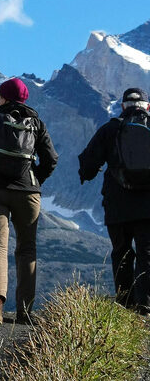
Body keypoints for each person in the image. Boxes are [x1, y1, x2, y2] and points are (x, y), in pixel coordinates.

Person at [0, 77, 58, 324]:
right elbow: (51, 159)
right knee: (27, 248)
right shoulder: (37, 124)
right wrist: (34, 180)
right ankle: (25, 311)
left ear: (5, 98)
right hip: (27, 192)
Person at [78, 87, 150, 314]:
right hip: (147, 207)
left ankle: (125, 305)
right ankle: (145, 306)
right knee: (147, 254)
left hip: (117, 205)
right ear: (147, 107)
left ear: (123, 106)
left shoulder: (110, 129)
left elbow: (88, 164)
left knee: (121, 253)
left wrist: (87, 173)